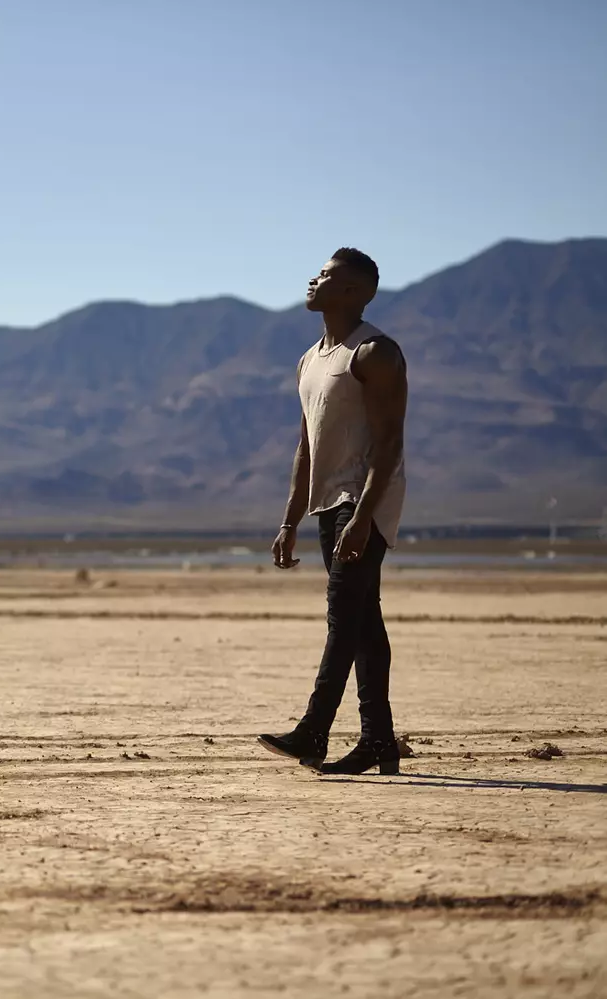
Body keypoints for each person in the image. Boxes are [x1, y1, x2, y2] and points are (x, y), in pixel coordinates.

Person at [259, 248, 408, 776]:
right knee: (364, 621)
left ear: (354, 292)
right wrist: (290, 519)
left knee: (342, 614)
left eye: (326, 275)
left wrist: (366, 515)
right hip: (329, 502)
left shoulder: (374, 352)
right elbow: (306, 446)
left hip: (363, 500)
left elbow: (389, 443)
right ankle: (379, 745)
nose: (313, 279)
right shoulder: (311, 358)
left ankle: (313, 729)